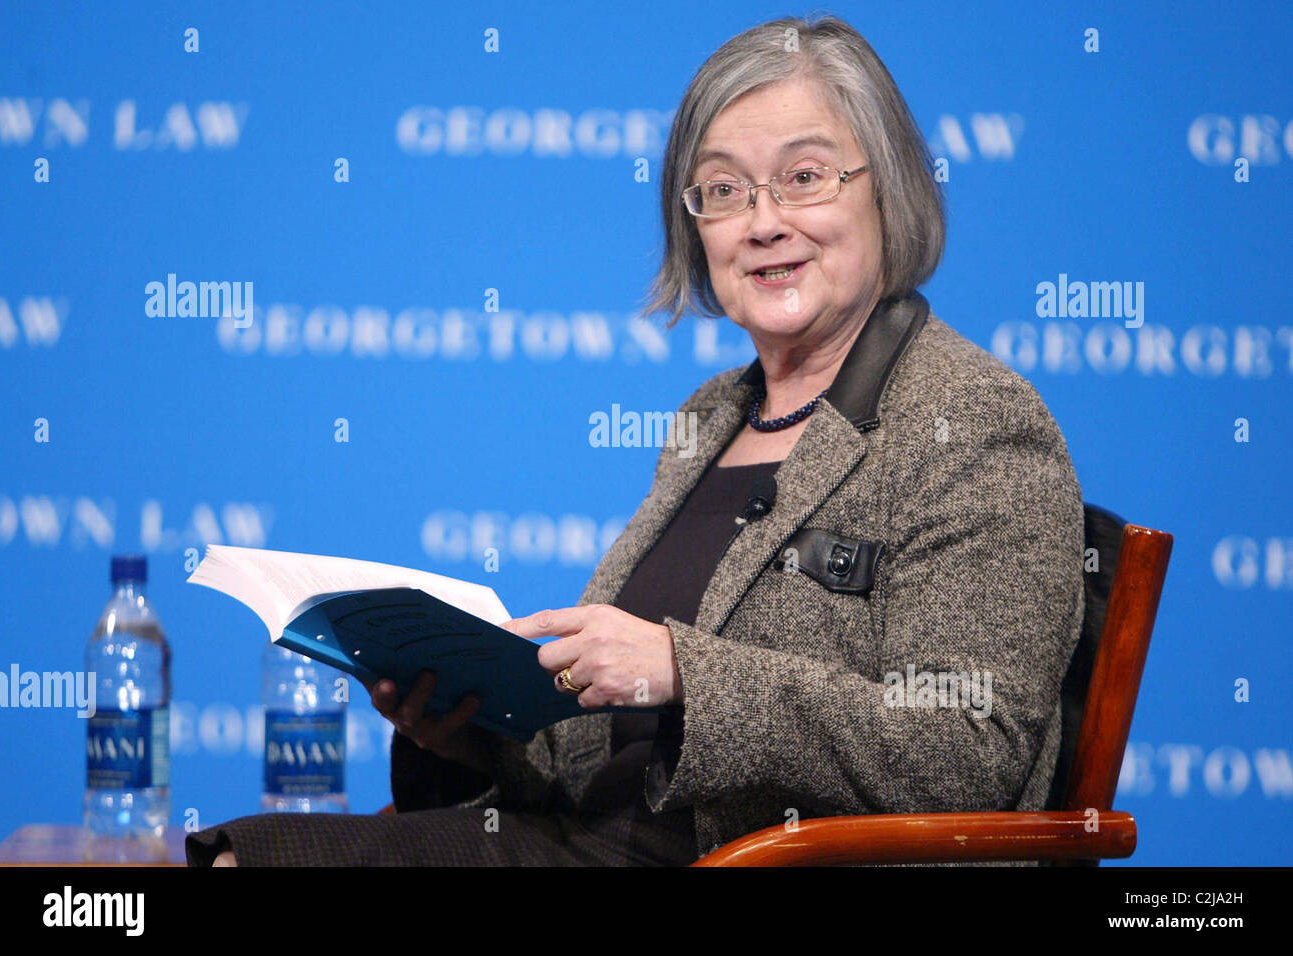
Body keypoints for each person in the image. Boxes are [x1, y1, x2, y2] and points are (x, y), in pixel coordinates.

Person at [188, 13, 1084, 867]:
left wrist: (686, 672)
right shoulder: (712, 417)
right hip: (597, 843)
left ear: (887, 188)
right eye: (725, 191)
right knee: (238, 853)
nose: (764, 220)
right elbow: (600, 759)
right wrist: (468, 732)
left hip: (743, 862)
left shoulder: (974, 422)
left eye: (805, 177)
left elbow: (970, 749)